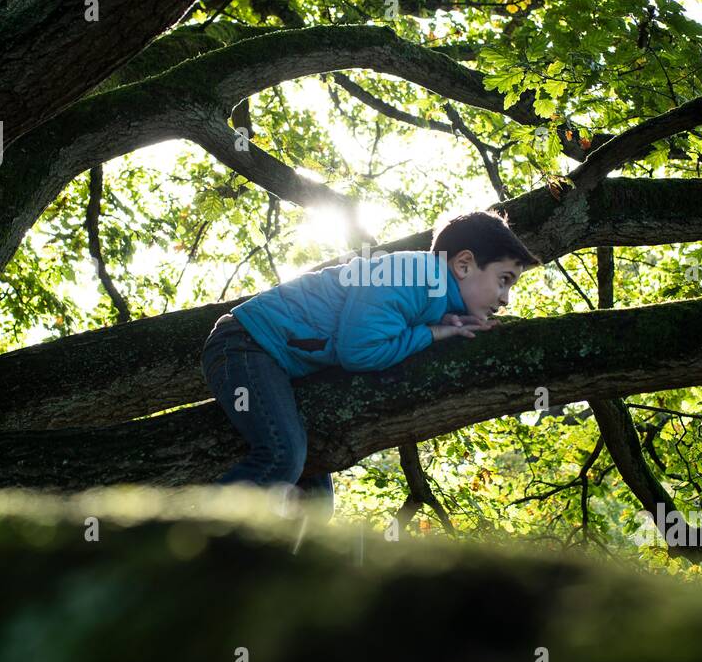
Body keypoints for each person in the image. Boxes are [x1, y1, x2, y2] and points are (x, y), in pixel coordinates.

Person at [200, 209, 541, 522]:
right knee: (282, 455)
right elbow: (359, 351)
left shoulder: (432, 293)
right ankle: (182, 542)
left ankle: (282, 581)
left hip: (281, 366)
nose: (506, 298)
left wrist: (441, 323)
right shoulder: (416, 276)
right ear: (464, 264)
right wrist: (432, 333)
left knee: (317, 503)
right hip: (246, 344)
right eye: (504, 279)